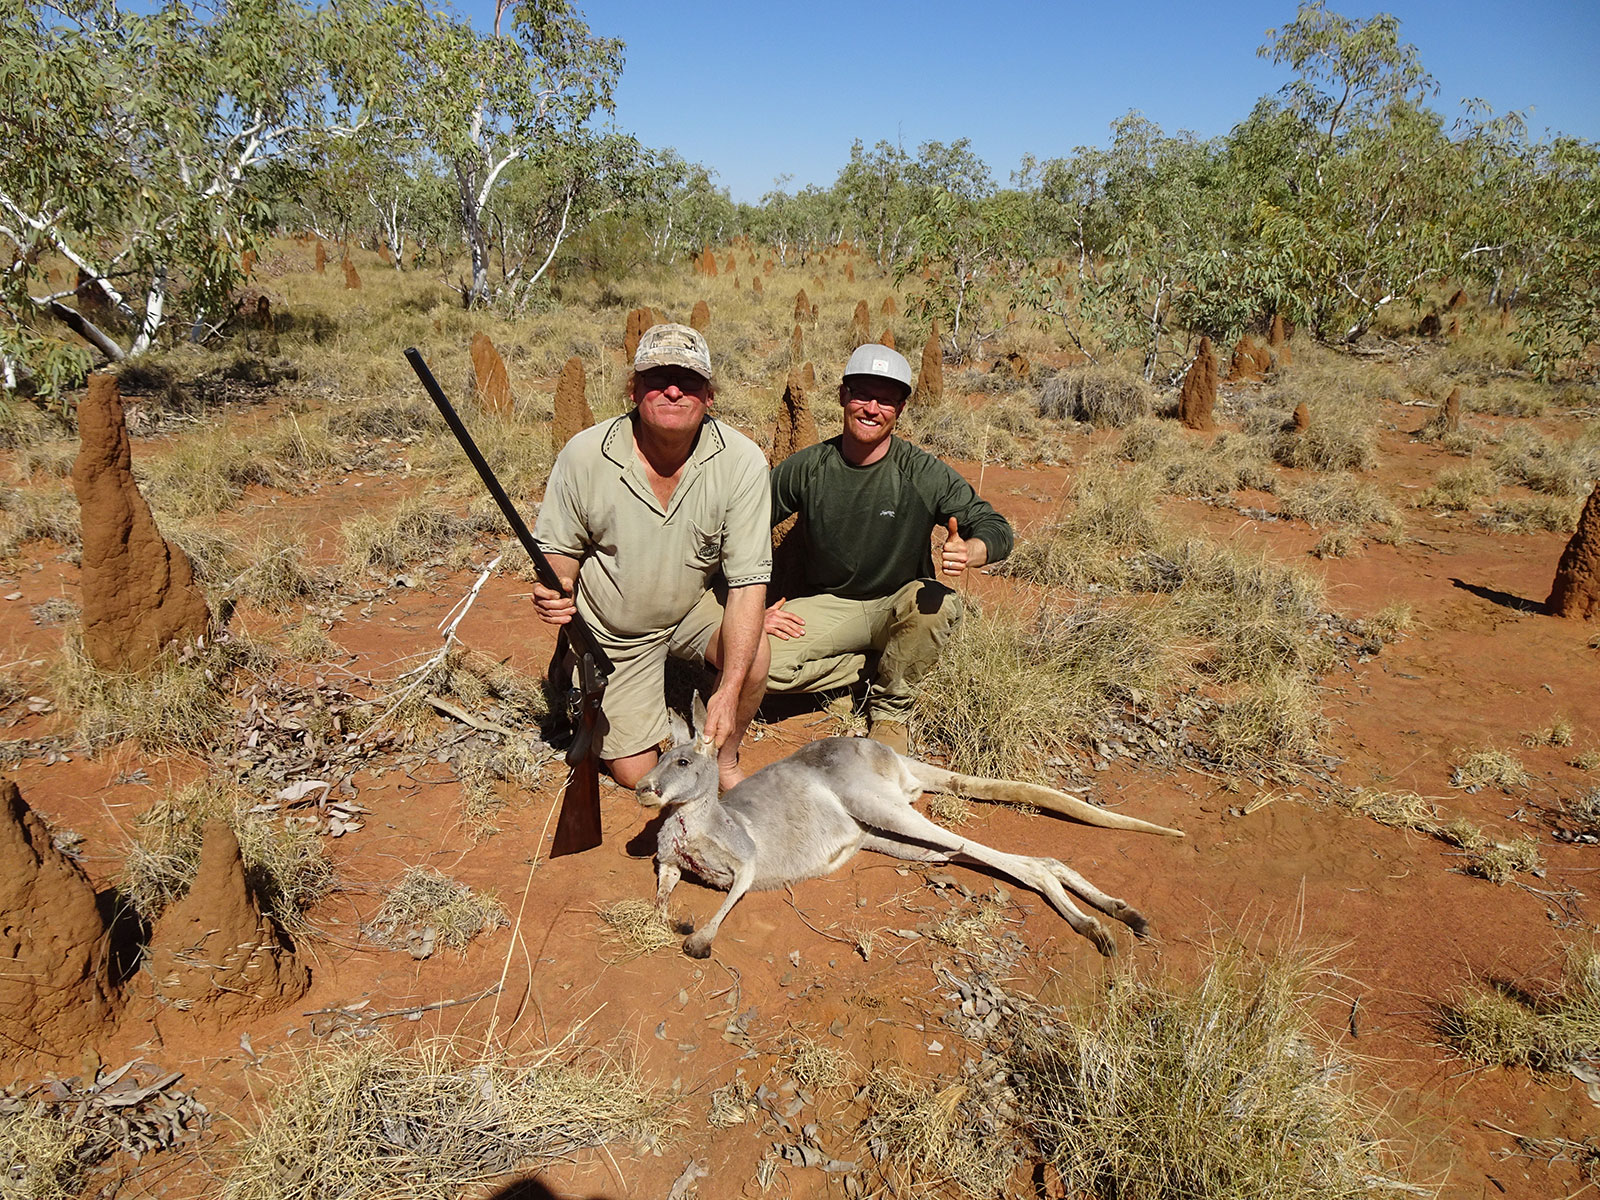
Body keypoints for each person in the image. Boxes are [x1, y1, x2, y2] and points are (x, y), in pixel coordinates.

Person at [532, 324, 770, 791]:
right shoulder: (585, 455)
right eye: (658, 378)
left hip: (689, 610)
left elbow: (747, 585)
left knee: (754, 652)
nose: (674, 390)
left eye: (689, 381)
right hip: (614, 631)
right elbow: (560, 555)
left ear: (709, 395)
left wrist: (727, 691)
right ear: (634, 388)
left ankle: (723, 759)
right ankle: (572, 662)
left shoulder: (743, 461)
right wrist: (555, 590)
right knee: (637, 775)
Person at [764, 343, 1013, 752]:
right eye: (862, 394)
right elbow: (745, 524)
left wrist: (973, 549)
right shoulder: (809, 467)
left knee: (936, 603)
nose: (871, 409)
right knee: (757, 663)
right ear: (843, 396)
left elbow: (996, 527)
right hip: (831, 603)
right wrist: (750, 609)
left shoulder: (921, 471)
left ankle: (891, 712)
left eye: (885, 400)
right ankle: (867, 671)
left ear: (900, 408)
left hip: (899, 604)